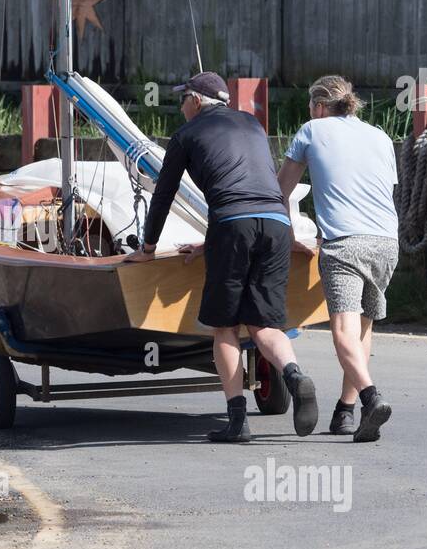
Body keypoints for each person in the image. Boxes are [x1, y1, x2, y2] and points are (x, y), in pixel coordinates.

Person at [126, 71, 318, 443]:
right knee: (266, 324)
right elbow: (258, 185)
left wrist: (147, 250)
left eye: (183, 99)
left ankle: (237, 422)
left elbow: (163, 194)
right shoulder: (252, 124)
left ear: (196, 101)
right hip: (276, 223)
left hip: (233, 224)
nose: (181, 105)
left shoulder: (186, 135)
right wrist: (213, 240)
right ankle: (294, 375)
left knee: (225, 327)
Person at [277, 75, 398, 443]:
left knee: (342, 331)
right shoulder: (380, 136)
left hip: (344, 243)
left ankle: (370, 396)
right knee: (363, 328)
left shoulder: (311, 130)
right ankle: (345, 413)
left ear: (317, 106)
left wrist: (288, 236)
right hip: (386, 241)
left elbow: (278, 190)